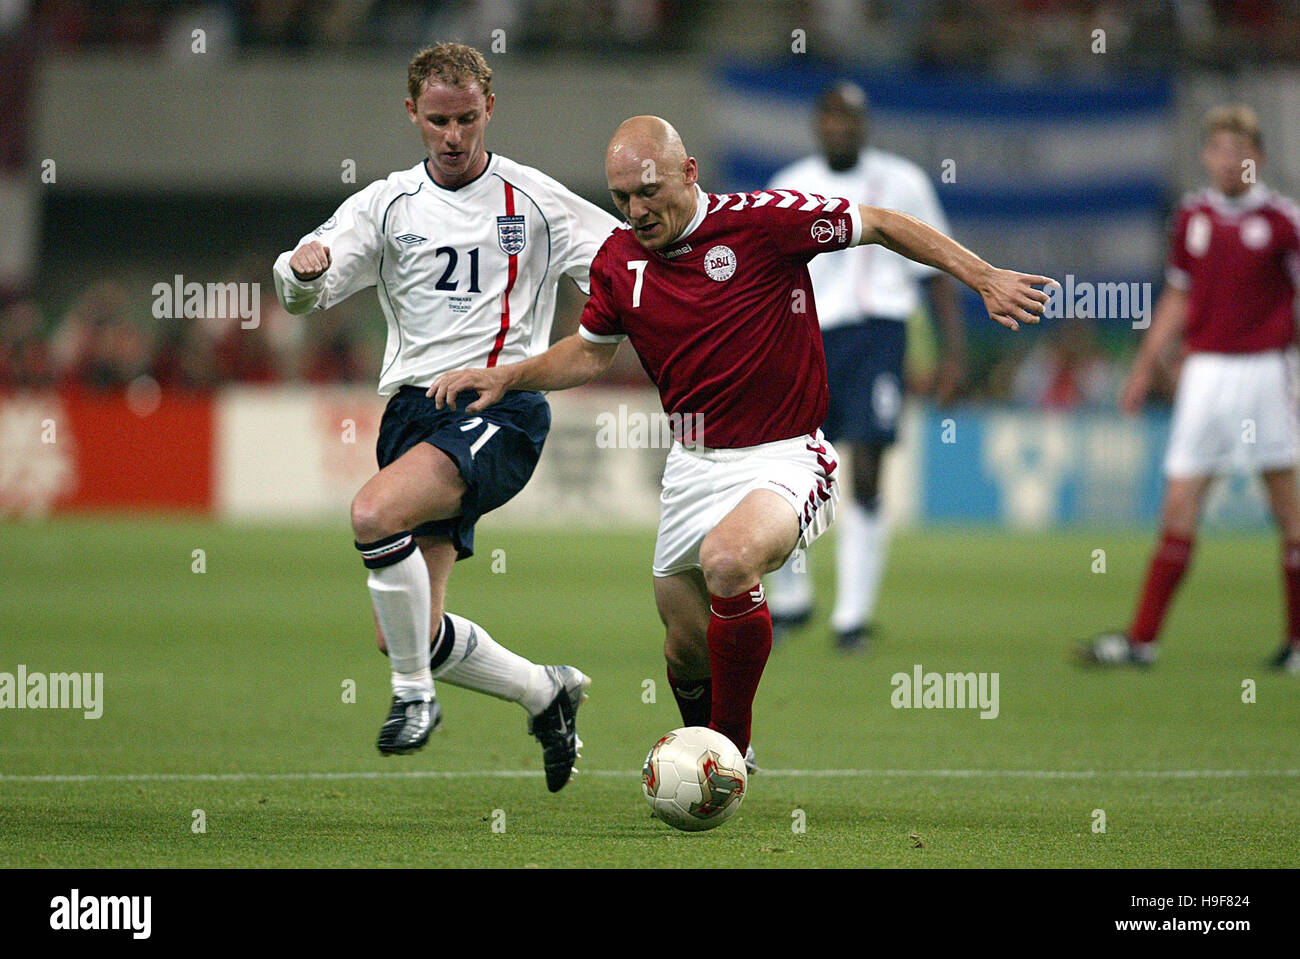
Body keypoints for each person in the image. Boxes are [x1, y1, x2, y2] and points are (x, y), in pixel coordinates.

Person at [431, 116, 1051, 766]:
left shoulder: (763, 223)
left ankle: (728, 752)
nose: (637, 211)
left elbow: (885, 222)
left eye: (649, 191)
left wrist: (981, 276)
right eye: (622, 198)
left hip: (785, 453)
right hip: (692, 465)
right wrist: (510, 375)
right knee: (683, 646)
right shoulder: (618, 260)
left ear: (689, 172)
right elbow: (588, 355)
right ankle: (705, 751)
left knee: (729, 560)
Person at [272, 43, 620, 789]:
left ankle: (413, 699)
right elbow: (310, 277)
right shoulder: (388, 205)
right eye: (438, 120)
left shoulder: (533, 200)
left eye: (467, 118)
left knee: (372, 513)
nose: (454, 135)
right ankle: (544, 690)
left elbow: (622, 267)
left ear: (489, 109)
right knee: (408, 631)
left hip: (501, 404)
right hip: (411, 413)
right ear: (412, 115)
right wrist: (299, 272)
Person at [1081, 105, 1300, 674]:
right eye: (1219, 150)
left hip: (1264, 372)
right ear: (1206, 156)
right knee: (1179, 505)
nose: (1229, 161)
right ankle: (1143, 641)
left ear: (1259, 158)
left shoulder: (1282, 221)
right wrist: (1144, 366)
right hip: (1204, 376)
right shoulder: (1192, 216)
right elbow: (1178, 296)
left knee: (1289, 510)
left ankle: (1297, 644)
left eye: (1240, 152)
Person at [764, 81, 967, 651]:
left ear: (865, 124)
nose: (840, 127)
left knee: (869, 467)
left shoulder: (904, 182)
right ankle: (792, 601)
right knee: (787, 466)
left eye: (850, 118)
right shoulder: (789, 185)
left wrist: (953, 354)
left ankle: (852, 617)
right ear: (816, 123)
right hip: (804, 336)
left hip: (881, 332)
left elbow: (937, 268)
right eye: (830, 117)